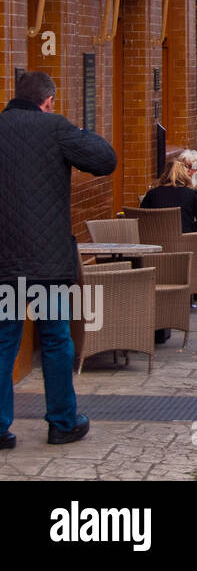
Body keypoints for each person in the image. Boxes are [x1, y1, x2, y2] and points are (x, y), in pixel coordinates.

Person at [0, 71, 116, 450]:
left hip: (5, 263)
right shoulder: (55, 128)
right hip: (48, 265)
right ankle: (62, 422)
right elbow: (105, 160)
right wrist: (76, 132)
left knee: (4, 343)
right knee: (55, 340)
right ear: (48, 100)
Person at [142, 160, 197, 297]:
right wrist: (195, 230)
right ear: (184, 175)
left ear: (165, 175)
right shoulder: (190, 194)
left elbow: (142, 219)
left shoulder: (151, 194)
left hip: (155, 245)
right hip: (185, 244)